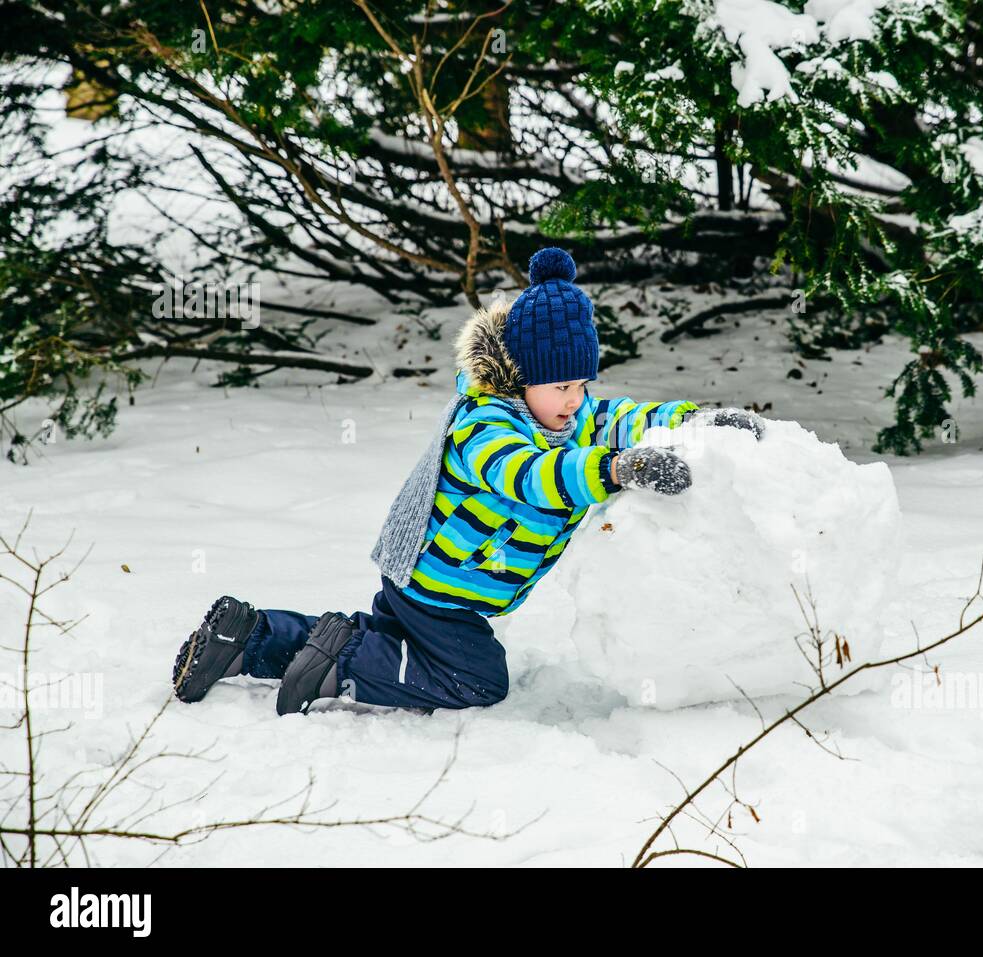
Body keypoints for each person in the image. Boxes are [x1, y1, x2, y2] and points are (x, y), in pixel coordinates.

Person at [170, 247, 765, 716]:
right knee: (475, 679)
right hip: (439, 588)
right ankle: (341, 661)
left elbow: (624, 417)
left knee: (394, 641)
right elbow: (532, 478)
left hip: (448, 587)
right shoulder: (483, 426)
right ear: (522, 376)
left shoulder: (570, 411)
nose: (575, 400)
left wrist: (698, 421)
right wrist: (613, 468)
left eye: (582, 385)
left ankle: (247, 637)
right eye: (561, 386)